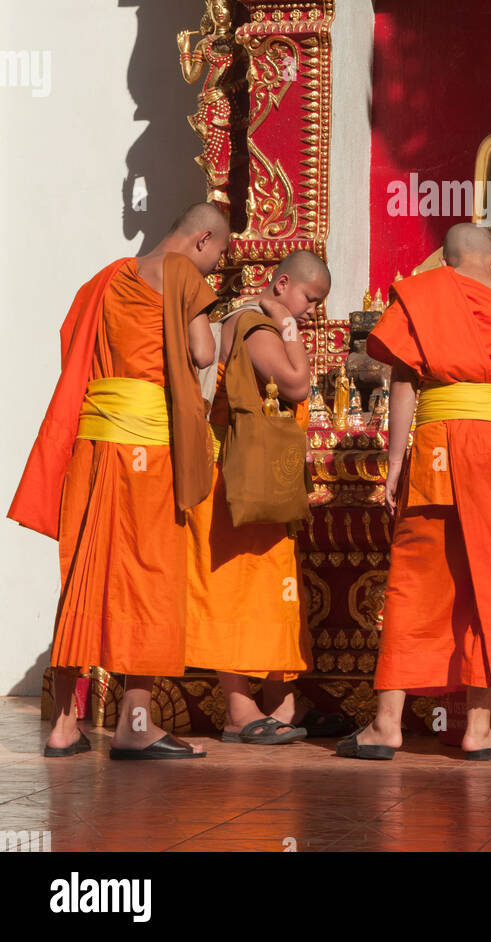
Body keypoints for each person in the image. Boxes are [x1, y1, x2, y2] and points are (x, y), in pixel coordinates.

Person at [336, 223, 491, 761]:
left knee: (415, 579)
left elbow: (403, 383)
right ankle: (478, 729)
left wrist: (396, 463)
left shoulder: (423, 295)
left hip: (435, 448)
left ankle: (386, 725)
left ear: (445, 262)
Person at [9, 203, 229, 760]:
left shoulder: (108, 276)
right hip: (148, 452)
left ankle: (63, 725)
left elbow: (73, 343)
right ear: (202, 239)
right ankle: (135, 724)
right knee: (149, 579)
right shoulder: (182, 274)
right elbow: (203, 352)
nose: (214, 268)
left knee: (86, 574)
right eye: (219, 256)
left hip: (94, 446)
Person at [185, 250, 334, 744]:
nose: (311, 310)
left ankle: (276, 700)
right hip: (236, 478)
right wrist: (287, 328)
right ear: (282, 282)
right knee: (238, 587)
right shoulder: (256, 326)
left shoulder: (249, 320)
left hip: (243, 476)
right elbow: (295, 383)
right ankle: (239, 708)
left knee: (268, 585)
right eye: (309, 299)